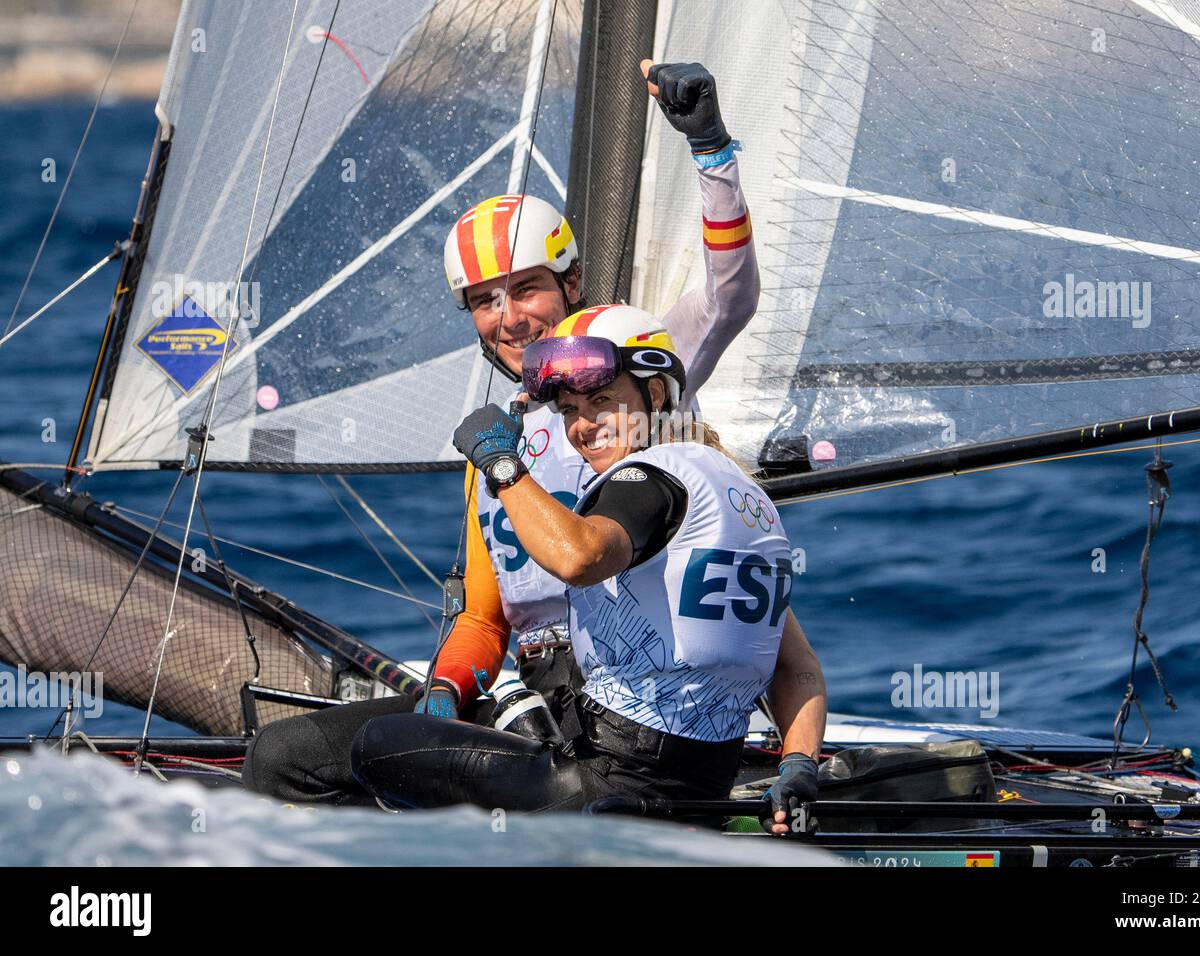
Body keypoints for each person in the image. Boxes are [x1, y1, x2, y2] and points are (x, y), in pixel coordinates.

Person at [243, 62, 825, 832]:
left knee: (392, 759)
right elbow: (485, 618)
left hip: (626, 714)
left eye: (526, 289)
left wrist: (711, 152)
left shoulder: (629, 370)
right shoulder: (493, 447)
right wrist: (447, 693)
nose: (509, 317)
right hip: (527, 706)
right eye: (485, 301)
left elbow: (729, 295)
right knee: (282, 757)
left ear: (571, 280)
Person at [352, 307, 822, 824]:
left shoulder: (648, 480)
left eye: (602, 400)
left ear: (656, 395)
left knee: (376, 745)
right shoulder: (736, 492)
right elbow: (796, 666)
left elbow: (578, 557)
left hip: (607, 783)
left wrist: (501, 465)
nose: (583, 425)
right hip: (697, 788)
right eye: (570, 409)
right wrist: (798, 763)